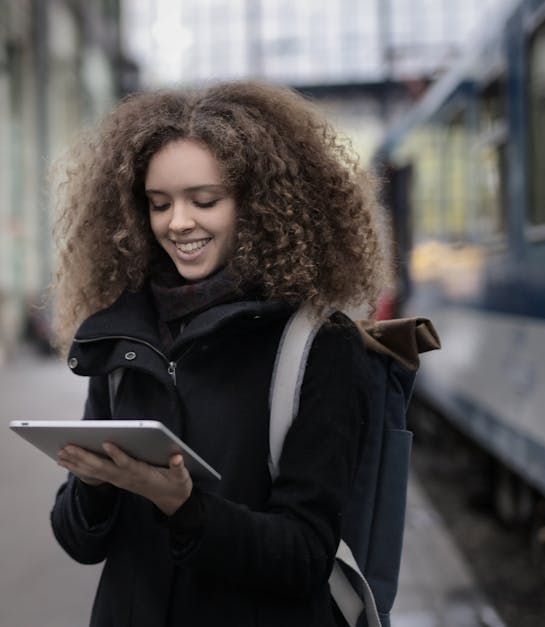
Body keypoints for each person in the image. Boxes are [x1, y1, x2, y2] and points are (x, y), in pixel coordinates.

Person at [47, 82, 390, 626]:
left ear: (259, 204)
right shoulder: (120, 336)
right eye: (159, 204)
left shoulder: (318, 345)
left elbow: (305, 555)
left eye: (204, 201)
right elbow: (80, 543)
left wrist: (185, 508)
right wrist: (92, 483)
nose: (178, 222)